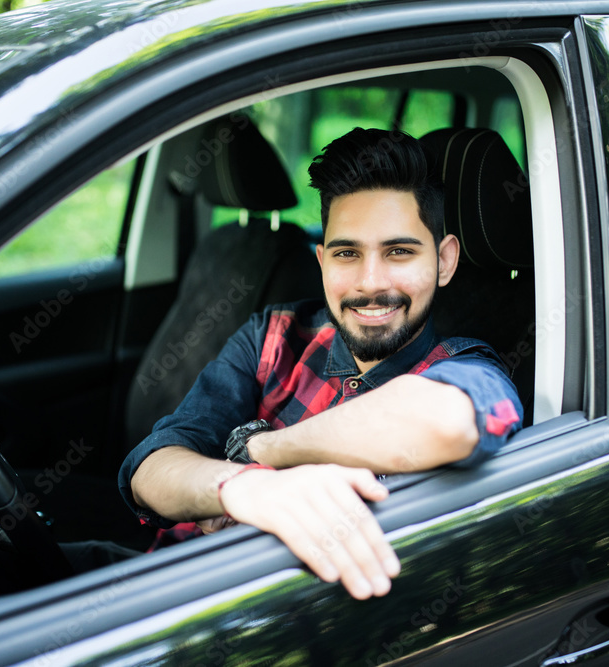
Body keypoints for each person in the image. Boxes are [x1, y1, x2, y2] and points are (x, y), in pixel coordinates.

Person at [118, 127, 523, 600]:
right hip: (153, 583)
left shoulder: (468, 366)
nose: (370, 283)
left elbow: (448, 423)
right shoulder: (273, 335)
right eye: (347, 253)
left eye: (399, 252)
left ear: (444, 261)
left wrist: (261, 450)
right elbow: (149, 470)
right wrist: (241, 488)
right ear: (322, 261)